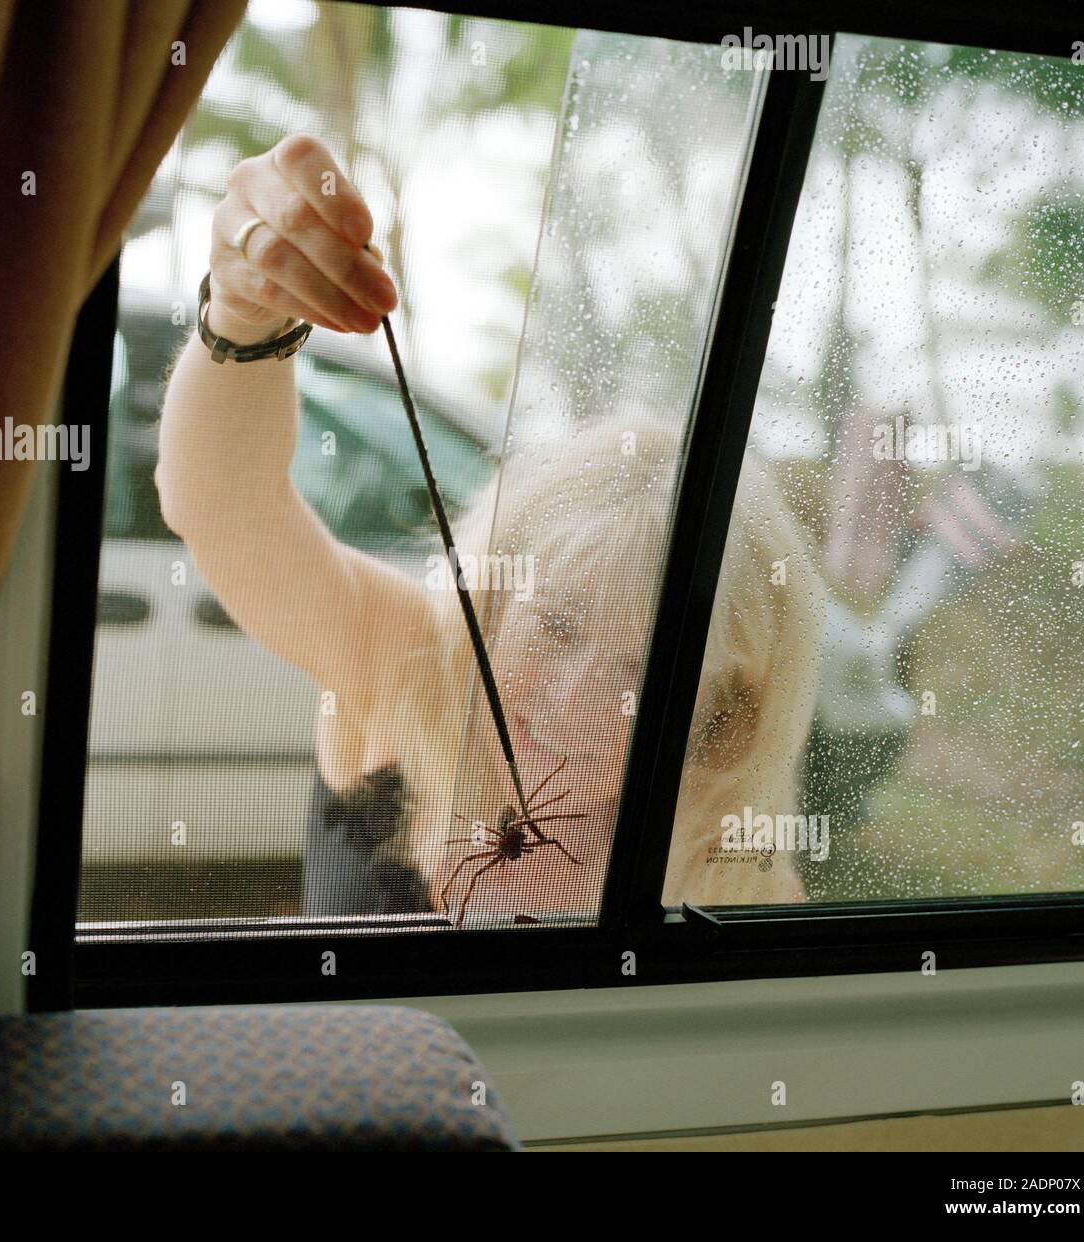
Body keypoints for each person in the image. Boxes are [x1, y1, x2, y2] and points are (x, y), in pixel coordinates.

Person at [156, 134, 823, 922]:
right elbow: (225, 503)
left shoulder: (735, 874)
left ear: (721, 716)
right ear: (500, 598)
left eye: (640, 673)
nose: (573, 700)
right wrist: (244, 311)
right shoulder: (403, 668)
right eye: (559, 624)